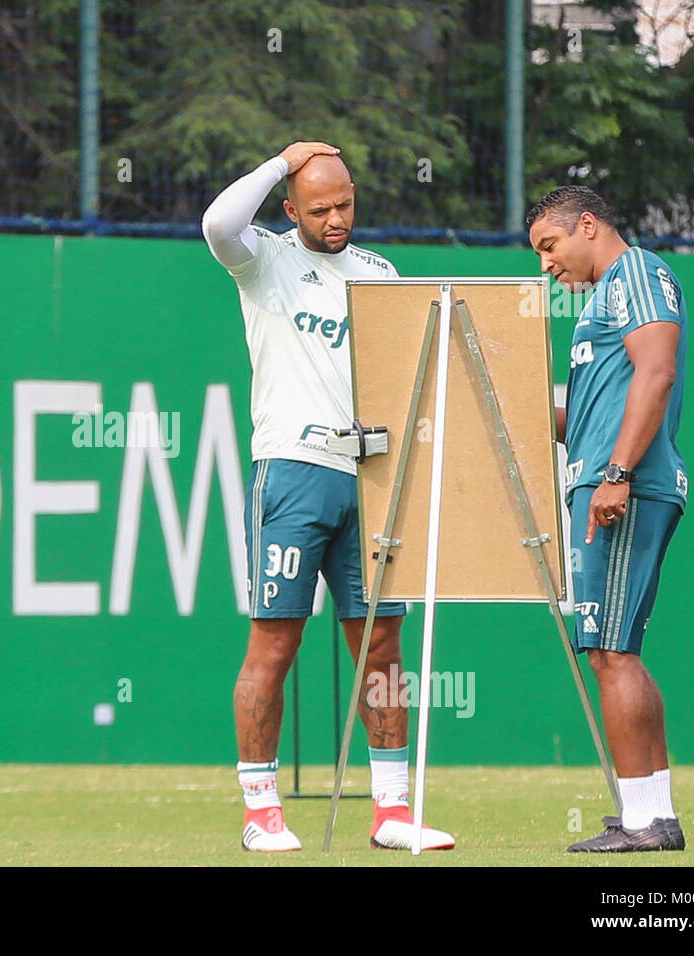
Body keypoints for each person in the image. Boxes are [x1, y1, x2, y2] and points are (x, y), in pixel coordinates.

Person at [201, 141, 457, 852]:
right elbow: (218, 223)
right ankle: (261, 812)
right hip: (293, 472)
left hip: (369, 477)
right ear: (290, 208)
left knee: (381, 648)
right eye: (319, 208)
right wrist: (281, 160)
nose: (336, 217)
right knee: (276, 644)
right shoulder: (264, 260)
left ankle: (392, 811)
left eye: (345, 203)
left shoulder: (379, 272)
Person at [526, 185, 687, 852]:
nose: (545, 265)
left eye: (550, 245)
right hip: (608, 482)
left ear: (587, 225)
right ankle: (655, 813)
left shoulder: (638, 275)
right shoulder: (600, 299)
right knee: (621, 653)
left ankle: (646, 824)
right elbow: (591, 414)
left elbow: (657, 374)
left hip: (622, 488)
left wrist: (617, 473)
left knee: (609, 653)